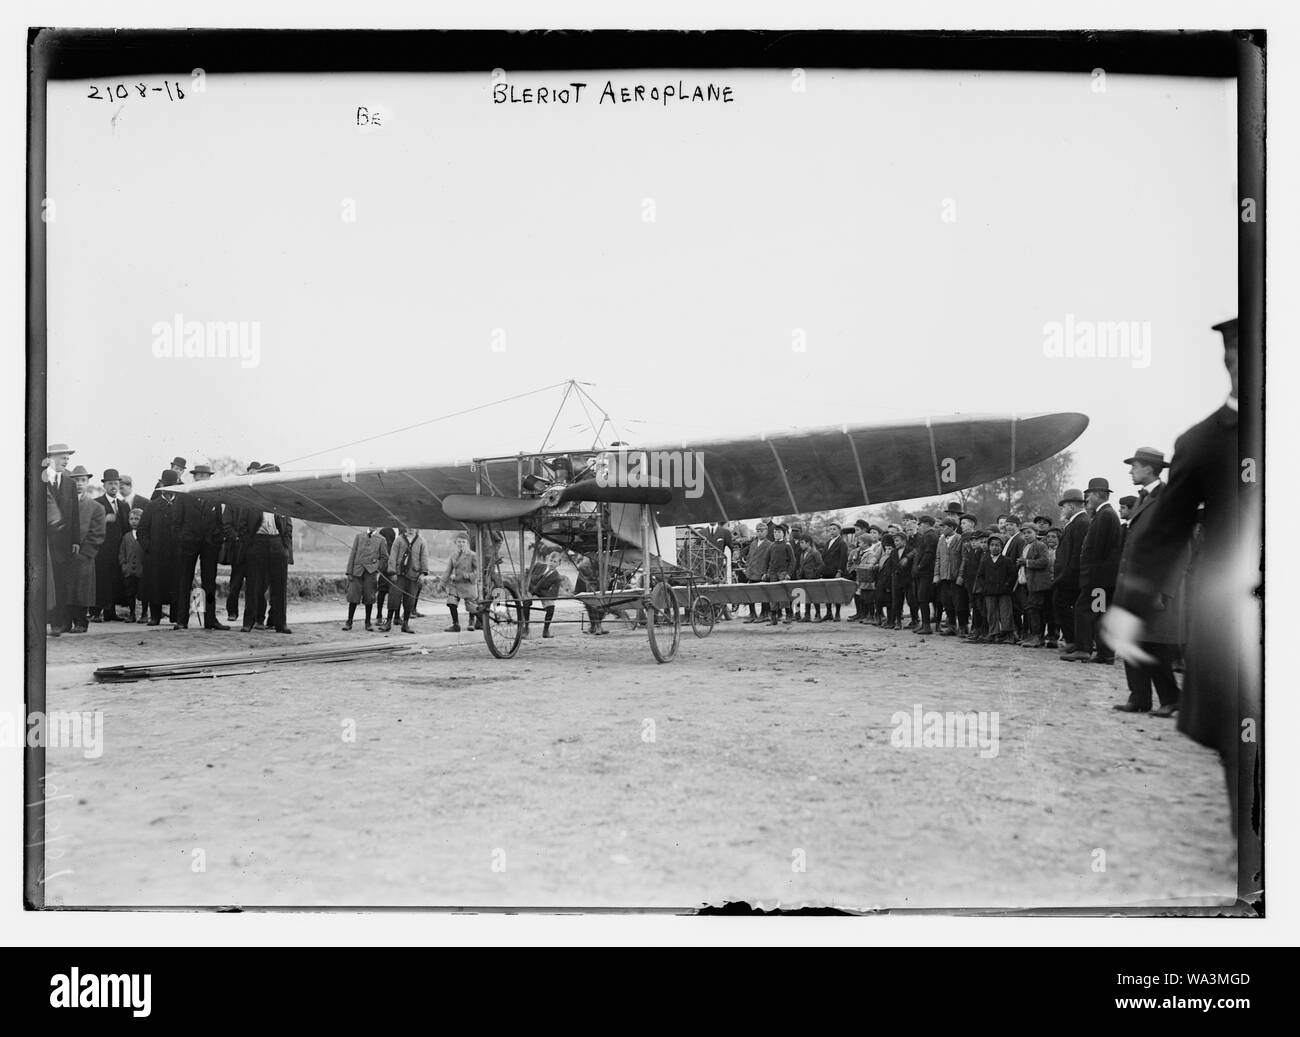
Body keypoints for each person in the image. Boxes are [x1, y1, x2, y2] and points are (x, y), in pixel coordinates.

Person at [1105, 317, 1260, 894]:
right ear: (1226, 362)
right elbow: (1162, 533)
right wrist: (1127, 609)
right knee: (1242, 743)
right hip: (1238, 622)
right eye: (1241, 355)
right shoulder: (1203, 442)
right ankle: (1258, 865)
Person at [1111, 447, 1184, 716]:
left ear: (1150, 469)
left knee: (1153, 644)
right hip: (1134, 585)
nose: (1131, 470)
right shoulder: (1144, 499)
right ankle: (1139, 698)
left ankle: (1172, 699)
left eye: (1135, 466)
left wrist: (1164, 590)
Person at [1063, 478, 1121, 663]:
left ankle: (1083, 649)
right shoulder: (1106, 514)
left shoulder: (1104, 515)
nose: (1086, 498)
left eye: (1088, 495)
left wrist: (1091, 577)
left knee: (1084, 610)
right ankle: (1105, 653)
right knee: (1100, 612)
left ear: (1097, 494)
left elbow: (1097, 549)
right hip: (1102, 578)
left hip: (1097, 579)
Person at [173, 463, 231, 630]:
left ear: (209, 478)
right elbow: (176, 522)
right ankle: (181, 620)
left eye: (205, 476)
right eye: (198, 475)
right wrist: (183, 539)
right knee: (184, 581)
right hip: (189, 544)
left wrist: (217, 539)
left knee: (210, 583)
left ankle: (210, 620)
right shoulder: (185, 495)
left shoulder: (214, 497)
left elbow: (219, 522)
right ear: (194, 476)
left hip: (209, 545)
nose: (201, 478)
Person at [62, 466, 106, 633]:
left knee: (81, 590)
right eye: (75, 480)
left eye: (82, 480)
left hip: (83, 556)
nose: (79, 484)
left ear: (88, 483)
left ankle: (81, 622)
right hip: (63, 554)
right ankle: (65, 622)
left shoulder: (95, 507)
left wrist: (85, 553)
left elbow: (98, 534)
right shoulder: (63, 504)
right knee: (65, 590)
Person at [238, 500, 293, 634]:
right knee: (253, 585)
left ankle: (280, 624)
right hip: (257, 543)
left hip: (277, 543)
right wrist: (249, 544)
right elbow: (242, 525)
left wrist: (285, 545)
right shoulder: (250, 502)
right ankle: (248, 623)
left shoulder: (281, 502)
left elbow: (288, 525)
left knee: (280, 587)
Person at [42, 444, 80, 635]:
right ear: (51, 458)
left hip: (64, 542)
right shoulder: (38, 479)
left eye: (67, 459)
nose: (66, 462)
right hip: (43, 542)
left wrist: (75, 540)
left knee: (61, 582)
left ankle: (59, 624)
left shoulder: (69, 483)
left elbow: (74, 515)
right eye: (63, 458)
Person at [137, 470, 182, 626]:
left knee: (176, 584)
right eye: (167, 485)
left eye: (173, 486)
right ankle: (155, 616)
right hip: (155, 555)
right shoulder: (152, 506)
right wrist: (148, 547)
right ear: (162, 486)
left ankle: (176, 617)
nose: (169, 489)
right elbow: (141, 530)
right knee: (155, 585)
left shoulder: (181, 504)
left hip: (176, 554)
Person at [1052, 488, 1090, 657]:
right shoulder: (1075, 523)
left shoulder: (1081, 523)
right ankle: (1073, 641)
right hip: (1068, 575)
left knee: (1062, 604)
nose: (1063, 510)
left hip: (1072, 576)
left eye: (1064, 506)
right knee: (1063, 606)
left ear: (1072, 506)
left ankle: (1076, 642)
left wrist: (1065, 576)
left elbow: (1076, 554)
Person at [91, 468, 129, 622]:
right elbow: (91, 525)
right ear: (104, 486)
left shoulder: (123, 505)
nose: (113, 486)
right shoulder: (96, 503)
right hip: (102, 550)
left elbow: (127, 527)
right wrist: (104, 520)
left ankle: (110, 612)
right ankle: (96, 612)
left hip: (118, 550)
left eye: (116, 483)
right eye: (110, 483)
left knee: (114, 579)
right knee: (102, 580)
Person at [344, 526, 390, 631]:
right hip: (357, 571)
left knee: (369, 597)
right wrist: (349, 571)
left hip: (370, 573)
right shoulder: (359, 537)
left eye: (375, 524)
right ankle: (349, 621)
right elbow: (353, 554)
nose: (373, 525)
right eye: (371, 523)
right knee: (353, 596)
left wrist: (376, 566)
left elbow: (384, 557)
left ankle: (368, 622)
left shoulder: (381, 539)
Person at [385, 526, 428, 633]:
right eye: (409, 527)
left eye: (414, 527)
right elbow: (393, 556)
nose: (411, 529)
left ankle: (405, 624)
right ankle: (388, 622)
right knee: (394, 598)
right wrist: (392, 571)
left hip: (413, 575)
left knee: (410, 600)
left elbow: (424, 558)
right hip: (399, 575)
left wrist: (423, 573)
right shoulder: (399, 540)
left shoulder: (421, 541)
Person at [980, 533, 1017, 644]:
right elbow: (981, 575)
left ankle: (1008, 634)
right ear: (989, 546)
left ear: (1002, 547)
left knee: (1005, 612)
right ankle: (993, 633)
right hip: (989, 591)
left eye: (997, 545)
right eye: (992, 545)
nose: (994, 547)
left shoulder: (1007, 560)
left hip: (1003, 591)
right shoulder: (985, 560)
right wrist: (985, 586)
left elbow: (1012, 575)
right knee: (991, 613)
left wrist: (1007, 585)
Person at [1018, 523, 1051, 648]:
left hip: (1039, 584)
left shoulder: (1040, 545)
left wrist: (1026, 562)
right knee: (1031, 610)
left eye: (1029, 532)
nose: (1026, 535)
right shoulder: (1026, 546)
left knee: (1034, 609)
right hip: (1029, 582)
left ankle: (1037, 636)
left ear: (1036, 533)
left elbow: (1044, 561)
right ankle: (1033, 636)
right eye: (1024, 533)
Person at [443, 532, 481, 632]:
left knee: (472, 606)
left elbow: (479, 571)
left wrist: (469, 575)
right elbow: (448, 570)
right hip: (456, 584)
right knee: (451, 602)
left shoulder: (472, 555)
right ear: (456, 543)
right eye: (459, 541)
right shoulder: (453, 555)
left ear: (467, 543)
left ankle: (472, 622)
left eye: (463, 542)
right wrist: (442, 584)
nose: (461, 544)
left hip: (469, 584)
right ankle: (456, 625)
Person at [524, 551, 564, 639]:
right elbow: (526, 573)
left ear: (559, 564)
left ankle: (546, 631)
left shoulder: (557, 577)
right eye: (551, 560)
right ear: (547, 560)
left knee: (551, 607)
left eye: (555, 562)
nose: (552, 563)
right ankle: (526, 628)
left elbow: (554, 595)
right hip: (530, 589)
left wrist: (541, 591)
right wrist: (529, 588)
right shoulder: (538, 565)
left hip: (543, 593)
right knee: (526, 601)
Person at [763, 524, 796, 625]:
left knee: (785, 596)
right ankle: (774, 618)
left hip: (783, 573)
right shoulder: (771, 546)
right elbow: (766, 560)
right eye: (775, 532)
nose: (777, 534)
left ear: (784, 534)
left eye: (779, 532)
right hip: (772, 574)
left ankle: (789, 616)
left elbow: (793, 561)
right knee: (773, 596)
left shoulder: (787, 545)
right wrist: (765, 573)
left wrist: (788, 573)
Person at [742, 520, 772, 623]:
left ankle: (764, 614)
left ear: (766, 532)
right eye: (758, 531)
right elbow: (749, 556)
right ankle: (752, 614)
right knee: (751, 594)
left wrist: (767, 573)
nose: (759, 533)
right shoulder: (753, 543)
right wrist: (747, 567)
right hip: (752, 572)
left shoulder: (769, 544)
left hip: (762, 573)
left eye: (762, 531)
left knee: (764, 594)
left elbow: (770, 561)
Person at [118, 508, 145, 623]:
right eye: (131, 519)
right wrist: (124, 565)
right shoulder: (126, 536)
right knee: (130, 592)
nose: (134, 521)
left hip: (142, 569)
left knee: (143, 592)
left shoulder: (144, 535)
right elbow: (122, 553)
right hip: (129, 570)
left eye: (137, 519)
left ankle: (144, 614)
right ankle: (132, 613)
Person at [819, 521, 848, 622]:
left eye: (834, 529)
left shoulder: (842, 543)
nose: (832, 531)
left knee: (836, 593)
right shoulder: (828, 542)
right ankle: (828, 612)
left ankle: (837, 613)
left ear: (839, 530)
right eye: (830, 529)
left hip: (835, 571)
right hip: (826, 571)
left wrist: (839, 571)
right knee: (827, 593)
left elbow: (843, 558)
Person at [797, 531, 824, 622]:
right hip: (804, 578)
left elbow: (821, 565)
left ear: (808, 543)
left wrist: (815, 574)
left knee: (815, 597)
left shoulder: (815, 553)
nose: (800, 545)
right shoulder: (802, 553)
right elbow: (802, 565)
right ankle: (807, 615)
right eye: (800, 543)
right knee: (806, 597)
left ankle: (818, 615)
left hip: (812, 579)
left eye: (802, 543)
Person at [374, 525, 398, 620]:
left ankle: (396, 617)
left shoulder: (404, 531)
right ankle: (379, 615)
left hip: (398, 567)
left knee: (397, 593)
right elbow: (379, 547)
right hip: (386, 567)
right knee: (382, 591)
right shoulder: (385, 530)